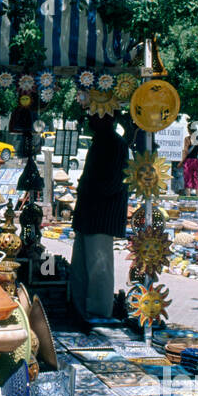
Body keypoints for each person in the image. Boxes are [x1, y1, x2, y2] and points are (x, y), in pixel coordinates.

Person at [69, 115, 128, 322]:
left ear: (107, 118)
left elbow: (114, 183)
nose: (89, 119)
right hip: (88, 216)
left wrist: (87, 188)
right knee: (81, 270)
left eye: (95, 116)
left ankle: (99, 316)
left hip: (101, 217)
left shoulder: (116, 145)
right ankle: (81, 312)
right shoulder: (101, 142)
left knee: (99, 271)